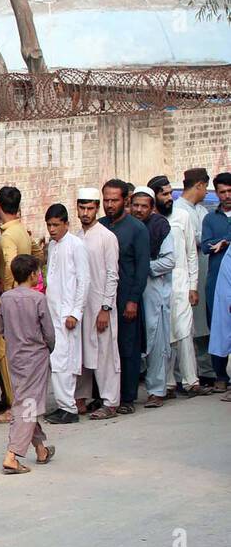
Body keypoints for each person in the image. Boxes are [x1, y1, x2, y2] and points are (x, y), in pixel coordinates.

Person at [0, 255, 57, 474]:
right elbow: (49, 333)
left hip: (15, 357)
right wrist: (48, 347)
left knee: (25, 402)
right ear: (33, 274)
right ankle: (12, 455)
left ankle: (41, 449)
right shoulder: (38, 299)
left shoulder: (5, 298)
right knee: (27, 406)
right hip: (35, 357)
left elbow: (2, 329)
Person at [157, 174, 210, 396]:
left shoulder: (181, 216)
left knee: (185, 332)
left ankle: (191, 381)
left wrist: (193, 286)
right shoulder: (151, 221)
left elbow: (191, 254)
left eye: (171, 193)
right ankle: (168, 383)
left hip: (181, 283)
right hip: (158, 284)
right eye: (165, 194)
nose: (170, 197)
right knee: (164, 335)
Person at [102, 178, 150, 413]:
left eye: (114, 200)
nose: (109, 205)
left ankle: (128, 397)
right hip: (103, 298)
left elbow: (142, 269)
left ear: (125, 200)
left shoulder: (137, 229)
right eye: (106, 200)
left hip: (126, 298)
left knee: (127, 347)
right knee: (104, 347)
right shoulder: (100, 226)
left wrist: (132, 300)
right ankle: (105, 395)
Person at [74, 188, 122, 419]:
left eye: (90, 208)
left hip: (101, 306)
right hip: (80, 307)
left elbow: (113, 275)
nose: (85, 212)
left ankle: (110, 402)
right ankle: (80, 400)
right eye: (82, 208)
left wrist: (105, 308)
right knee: (81, 353)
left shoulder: (106, 237)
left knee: (105, 354)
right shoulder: (75, 237)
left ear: (97, 208)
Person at [43, 204, 90, 425]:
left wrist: (75, 312)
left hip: (67, 314)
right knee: (57, 361)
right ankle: (63, 405)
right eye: (49, 225)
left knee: (66, 361)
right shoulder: (53, 246)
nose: (52, 229)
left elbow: (83, 281)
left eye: (55, 225)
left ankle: (69, 408)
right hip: (53, 313)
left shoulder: (76, 245)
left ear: (66, 224)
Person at [131, 186, 176, 408]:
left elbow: (169, 261)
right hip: (130, 289)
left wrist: (142, 267)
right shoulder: (127, 226)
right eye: (135, 205)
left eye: (143, 206)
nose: (139, 210)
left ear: (151, 207)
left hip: (153, 288)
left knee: (156, 339)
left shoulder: (160, 226)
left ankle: (157, 390)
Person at [0, 186, 32, 423]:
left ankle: (14, 403)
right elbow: (36, 254)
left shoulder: (8, 236)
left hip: (11, 298)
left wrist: (7, 290)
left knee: (6, 353)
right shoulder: (22, 231)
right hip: (25, 293)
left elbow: (9, 265)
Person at [177, 168, 212, 386]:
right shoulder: (180, 211)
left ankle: (206, 370)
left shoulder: (200, 211)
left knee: (204, 324)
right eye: (205, 187)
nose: (206, 192)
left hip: (204, 272)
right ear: (198, 185)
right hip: (188, 276)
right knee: (191, 328)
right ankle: (191, 374)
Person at [201, 171, 231, 391]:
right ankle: (221, 376)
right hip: (216, 280)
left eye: (230, 191)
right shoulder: (210, 218)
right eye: (222, 192)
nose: (227, 195)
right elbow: (205, 245)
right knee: (217, 325)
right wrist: (218, 243)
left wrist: (226, 241)